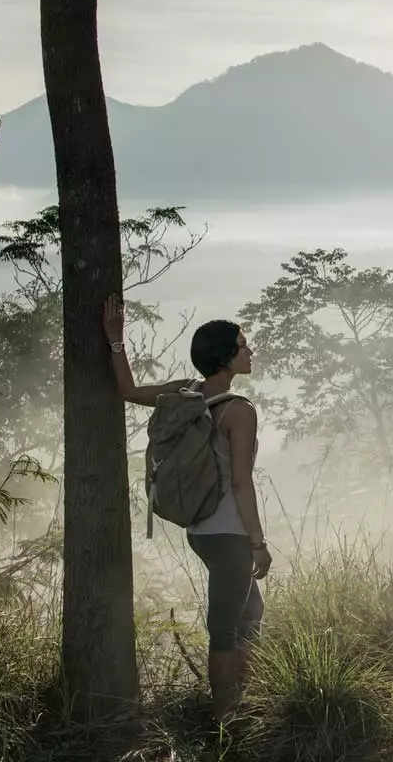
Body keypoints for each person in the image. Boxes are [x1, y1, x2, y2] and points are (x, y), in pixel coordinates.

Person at [103, 294, 271, 722]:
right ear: (226, 357)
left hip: (198, 529)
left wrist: (115, 340)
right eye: (243, 346)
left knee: (251, 610)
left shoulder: (186, 393)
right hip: (230, 533)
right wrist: (257, 542)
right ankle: (224, 716)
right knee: (226, 626)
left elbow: (128, 391)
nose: (250, 351)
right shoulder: (239, 411)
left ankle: (244, 699)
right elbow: (240, 482)